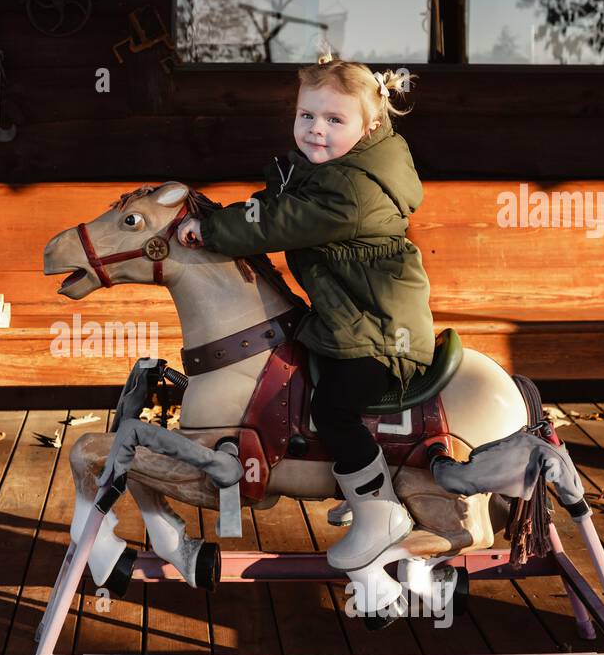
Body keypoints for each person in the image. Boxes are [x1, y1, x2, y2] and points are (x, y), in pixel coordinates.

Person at [176, 52, 434, 572]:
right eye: (307, 115)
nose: (316, 130)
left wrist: (210, 232)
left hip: (382, 331)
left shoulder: (351, 190)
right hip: (349, 319)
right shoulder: (334, 168)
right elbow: (273, 206)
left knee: (334, 409)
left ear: (370, 125)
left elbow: (277, 224)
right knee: (305, 381)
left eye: (335, 120)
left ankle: (378, 511)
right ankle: (359, 476)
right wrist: (218, 213)